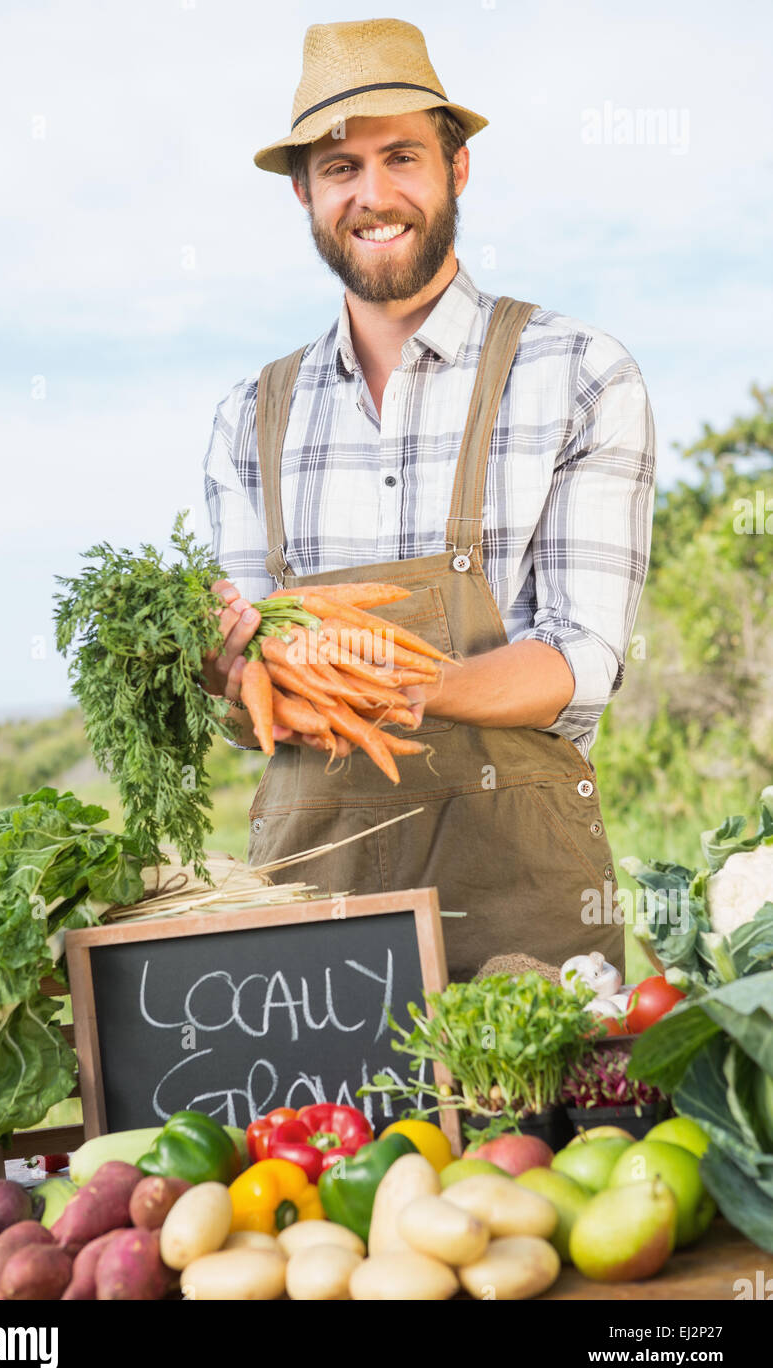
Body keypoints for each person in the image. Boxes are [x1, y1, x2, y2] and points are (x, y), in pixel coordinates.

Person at [198, 18, 655, 979]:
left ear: (456, 165)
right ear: (302, 192)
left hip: (523, 922)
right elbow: (251, 712)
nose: (374, 195)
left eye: (402, 156)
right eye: (339, 168)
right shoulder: (250, 417)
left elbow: (581, 660)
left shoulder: (578, 373)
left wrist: (393, 684)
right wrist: (226, 669)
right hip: (312, 945)